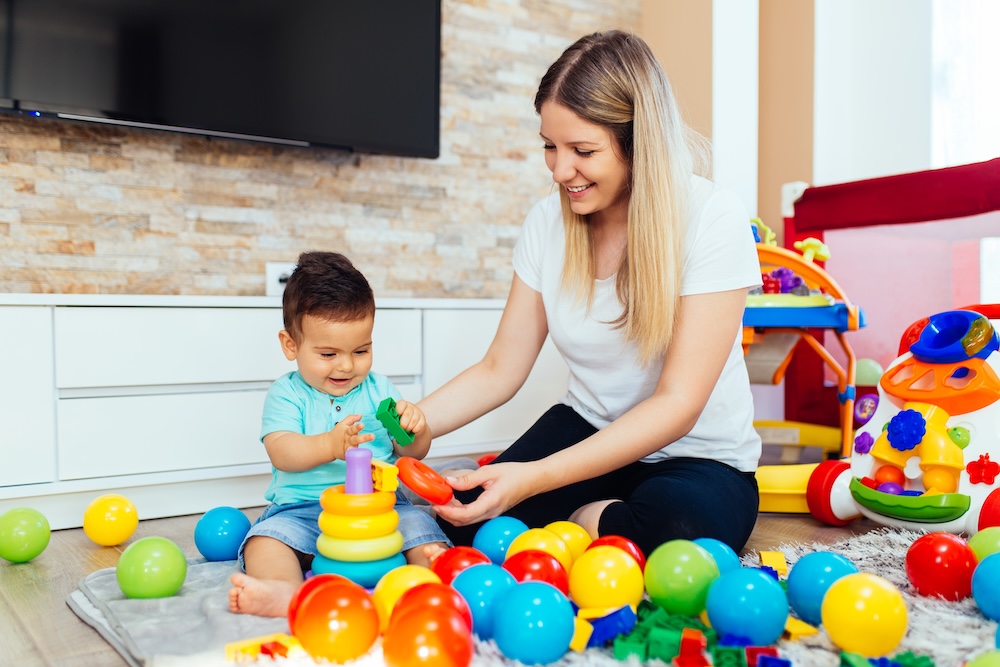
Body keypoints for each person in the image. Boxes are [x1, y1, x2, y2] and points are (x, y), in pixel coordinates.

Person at [418, 30, 763, 558]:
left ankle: (590, 514)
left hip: (696, 454)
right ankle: (598, 517)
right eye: (550, 148)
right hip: (586, 427)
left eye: (582, 150)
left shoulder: (711, 217)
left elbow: (678, 405)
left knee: (679, 540)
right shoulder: (545, 224)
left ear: (638, 142)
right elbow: (499, 369)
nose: (560, 171)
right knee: (467, 525)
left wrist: (536, 478)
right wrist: (406, 423)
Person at [229, 251, 450, 617]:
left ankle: (428, 578)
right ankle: (284, 591)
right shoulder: (288, 393)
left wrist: (417, 428)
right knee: (265, 541)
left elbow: (412, 453)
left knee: (419, 525)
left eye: (361, 350)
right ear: (291, 345)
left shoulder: (380, 390)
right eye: (328, 353)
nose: (347, 365)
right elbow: (281, 451)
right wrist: (329, 444)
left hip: (380, 508)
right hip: (303, 511)